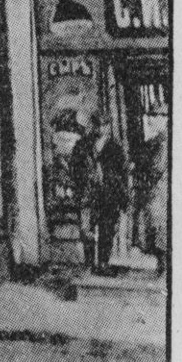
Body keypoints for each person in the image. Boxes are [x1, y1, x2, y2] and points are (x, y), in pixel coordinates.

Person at [70, 112, 129, 276]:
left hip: (109, 195)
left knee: (107, 229)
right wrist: (83, 179)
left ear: (108, 127)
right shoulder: (82, 145)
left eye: (104, 125)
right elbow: (74, 168)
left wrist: (123, 198)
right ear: (92, 125)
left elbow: (123, 174)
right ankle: (89, 263)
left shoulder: (115, 148)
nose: (100, 128)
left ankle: (103, 263)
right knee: (86, 228)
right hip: (88, 194)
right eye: (97, 125)